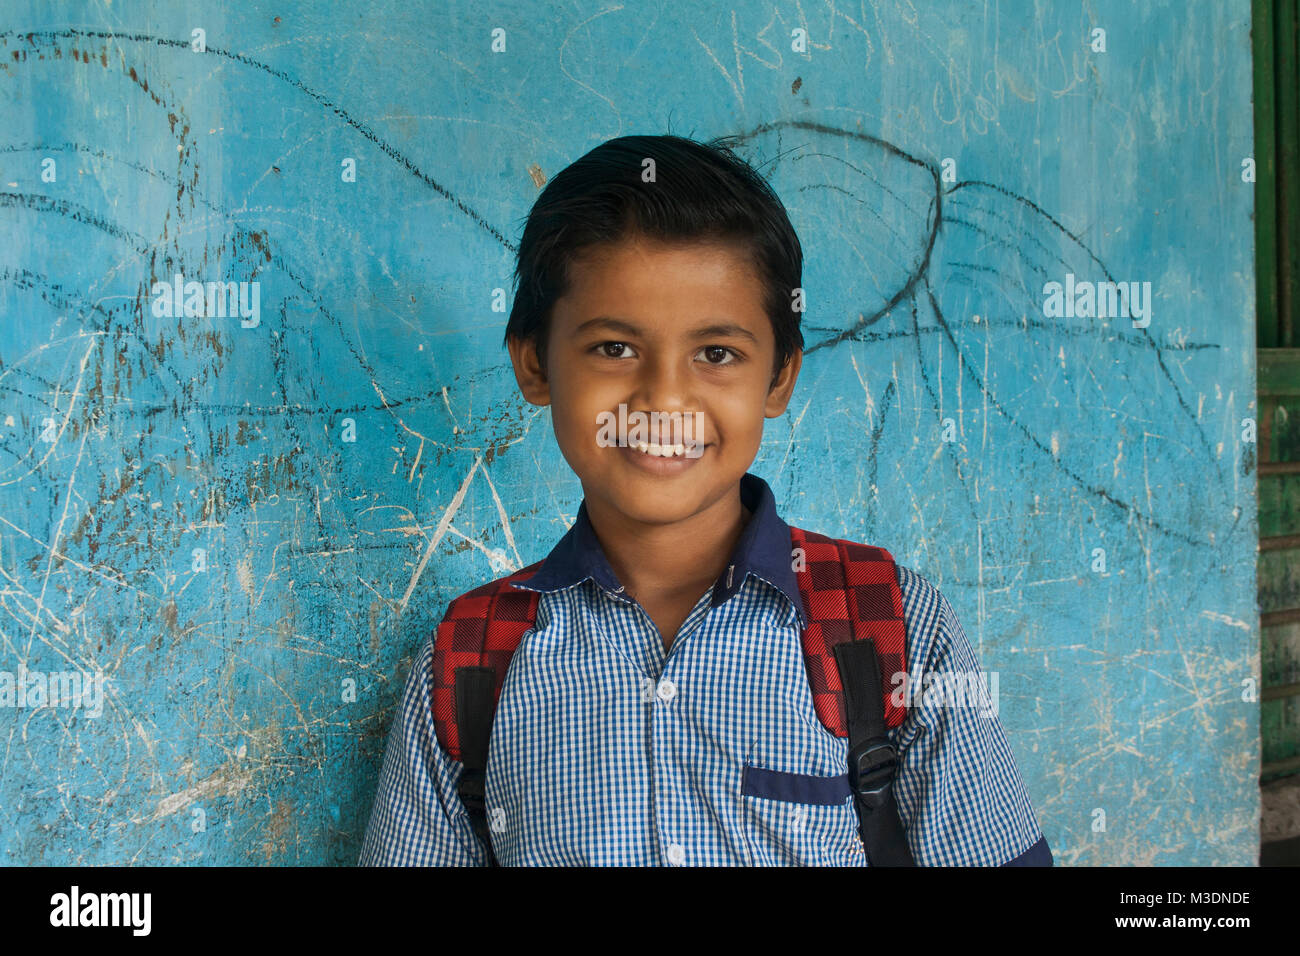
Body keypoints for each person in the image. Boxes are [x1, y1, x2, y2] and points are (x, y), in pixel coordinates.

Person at [359, 133, 1051, 866]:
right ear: (535, 362)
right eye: (614, 349)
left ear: (779, 377)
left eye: (716, 354)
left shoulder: (891, 629)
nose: (664, 399)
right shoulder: (471, 660)